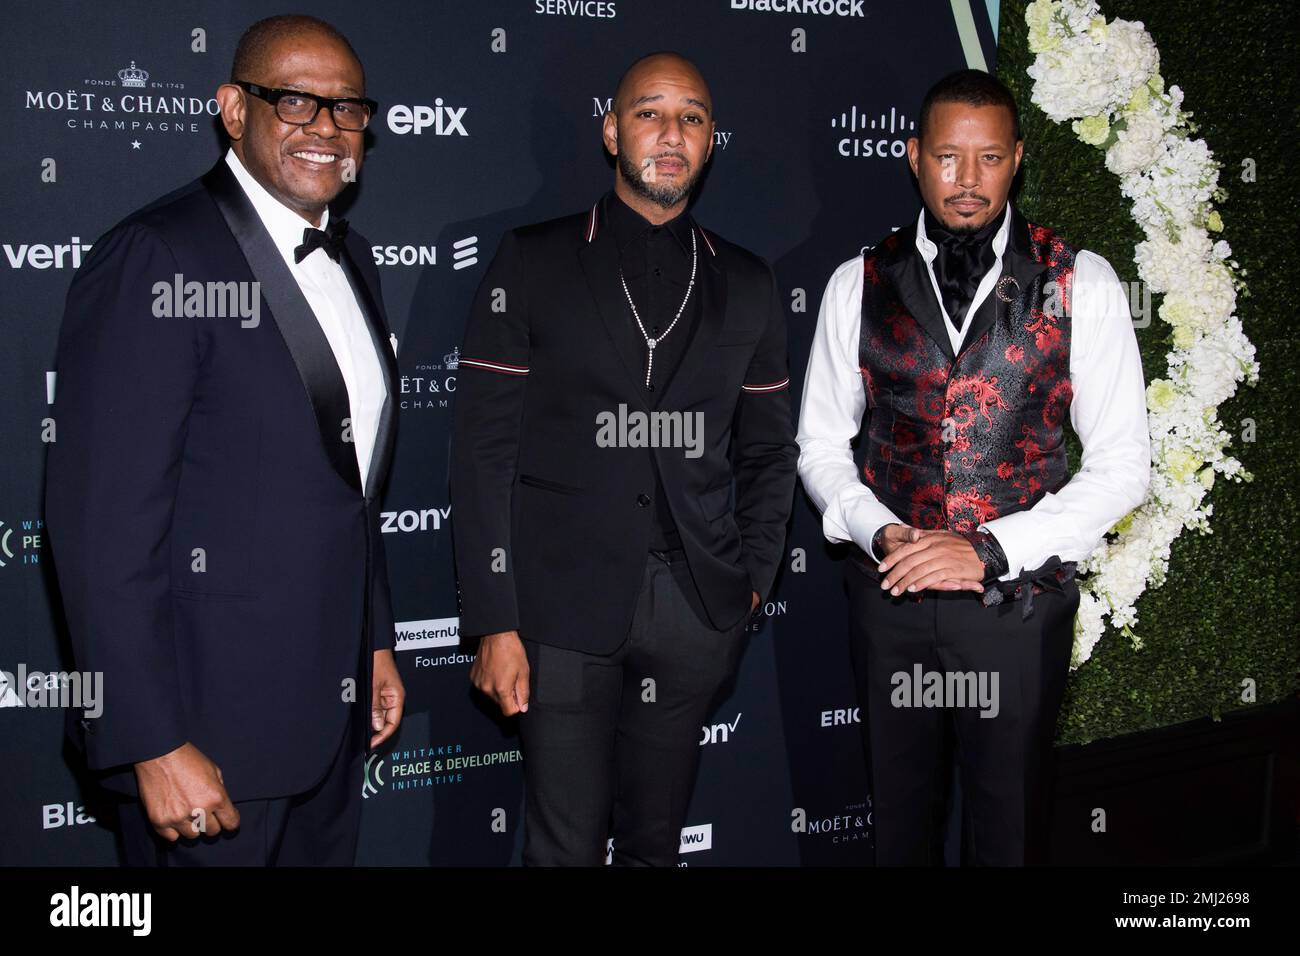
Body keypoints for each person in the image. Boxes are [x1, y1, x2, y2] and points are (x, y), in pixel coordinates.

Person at [45, 14, 404, 866]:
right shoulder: (157, 256)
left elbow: (347, 490)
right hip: (205, 737)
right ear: (233, 109)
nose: (326, 127)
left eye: (347, 108)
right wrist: (151, 742)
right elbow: (101, 525)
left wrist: (375, 641)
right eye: (296, 101)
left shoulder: (355, 265)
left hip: (330, 720)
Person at [451, 52, 798, 866]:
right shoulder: (531, 260)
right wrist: (495, 620)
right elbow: (481, 450)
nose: (671, 133)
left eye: (693, 117)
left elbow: (770, 450)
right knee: (563, 847)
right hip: (559, 610)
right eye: (650, 112)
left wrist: (750, 580)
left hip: (697, 607)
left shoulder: (748, 281)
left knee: (655, 842)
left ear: (712, 142)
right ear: (612, 131)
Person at [796, 69, 1150, 865]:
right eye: (948, 158)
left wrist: (989, 547)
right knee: (900, 831)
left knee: (1010, 834)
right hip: (890, 604)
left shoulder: (1080, 282)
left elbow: (1125, 463)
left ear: (1017, 159)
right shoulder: (854, 283)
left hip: (1016, 614)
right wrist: (880, 531)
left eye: (988, 159)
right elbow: (820, 444)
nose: (967, 180)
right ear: (914, 157)